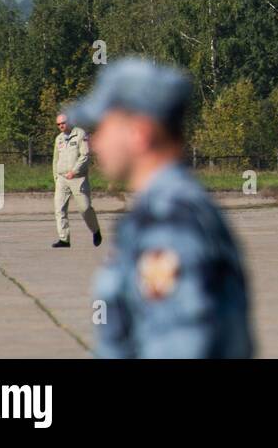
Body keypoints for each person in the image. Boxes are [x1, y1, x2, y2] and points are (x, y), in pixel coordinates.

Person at [71, 58, 254, 358]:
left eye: (102, 127)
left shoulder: (168, 221)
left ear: (140, 133)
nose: (95, 142)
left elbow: (181, 346)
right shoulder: (171, 209)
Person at [52, 111, 102, 248]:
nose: (61, 126)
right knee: (59, 209)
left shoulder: (80, 134)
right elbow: (55, 159)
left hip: (78, 178)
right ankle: (64, 239)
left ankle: (95, 231)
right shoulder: (59, 139)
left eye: (63, 123)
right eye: (58, 124)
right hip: (62, 178)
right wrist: (56, 177)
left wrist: (74, 172)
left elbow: (85, 156)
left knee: (85, 208)